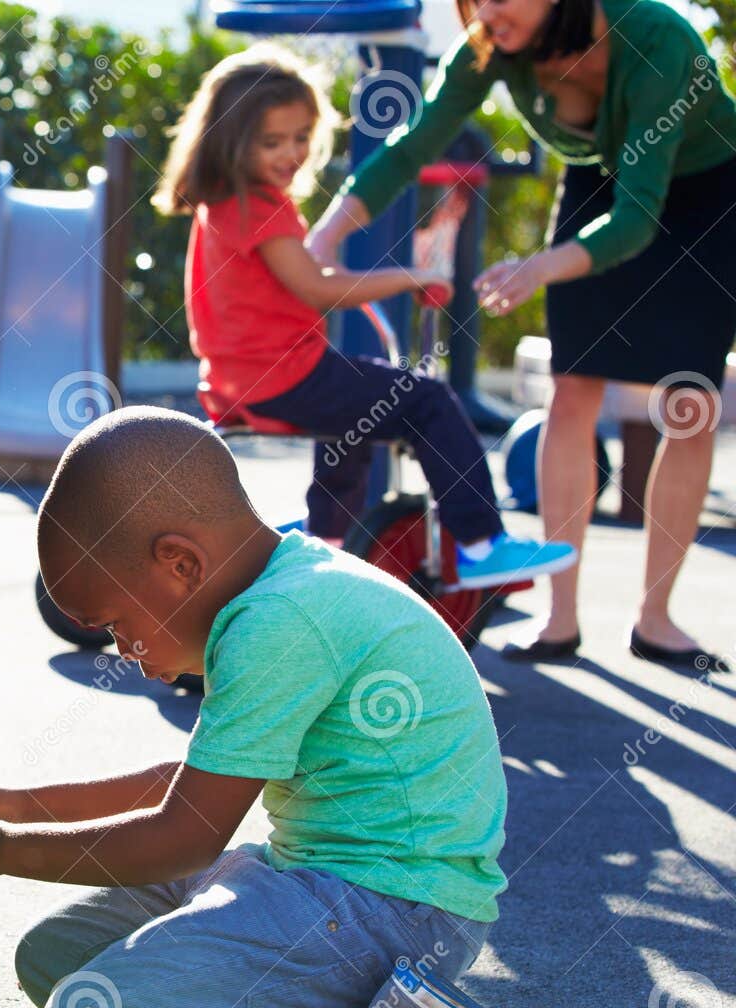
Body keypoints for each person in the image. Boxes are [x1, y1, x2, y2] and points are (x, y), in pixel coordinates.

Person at [0, 406, 545, 1008]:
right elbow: (187, 785)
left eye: (115, 624)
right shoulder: (281, 587)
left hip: (394, 908)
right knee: (57, 958)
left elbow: (185, 835)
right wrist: (11, 804)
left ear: (179, 562)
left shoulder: (276, 625)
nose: (122, 650)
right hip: (325, 882)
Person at [309, 0, 736, 669]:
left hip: (702, 193)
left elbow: (638, 218)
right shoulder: (490, 46)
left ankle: (657, 618)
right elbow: (414, 145)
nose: (485, 10)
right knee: (572, 391)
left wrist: (538, 268)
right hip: (600, 185)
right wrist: (323, 237)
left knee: (688, 404)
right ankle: (559, 619)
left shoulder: (653, 36)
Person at [154, 45, 575, 592]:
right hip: (283, 375)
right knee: (426, 399)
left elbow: (292, 279)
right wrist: (414, 277)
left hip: (239, 380)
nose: (292, 154)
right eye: (273, 142)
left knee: (358, 403)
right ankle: (480, 544)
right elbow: (318, 289)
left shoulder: (222, 206)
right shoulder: (260, 207)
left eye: (302, 137)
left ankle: (325, 541)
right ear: (232, 142)